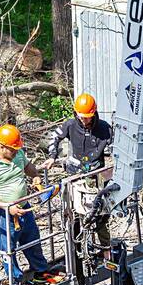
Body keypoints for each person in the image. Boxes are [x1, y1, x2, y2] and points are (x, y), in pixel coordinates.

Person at [0, 124, 50, 284]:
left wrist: (35, 175)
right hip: (4, 213)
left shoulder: (18, 154)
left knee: (33, 240)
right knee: (8, 248)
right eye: (12, 149)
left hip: (24, 207)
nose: (16, 152)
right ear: (2, 147)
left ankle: (41, 272)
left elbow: (28, 167)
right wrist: (8, 207)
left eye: (17, 149)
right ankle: (15, 281)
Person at [45, 93, 114, 261]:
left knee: (100, 215)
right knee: (75, 214)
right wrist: (52, 156)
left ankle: (106, 250)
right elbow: (54, 137)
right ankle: (78, 250)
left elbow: (115, 150)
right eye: (81, 117)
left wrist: (112, 169)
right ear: (76, 113)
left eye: (88, 118)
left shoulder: (104, 129)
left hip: (97, 176)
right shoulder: (70, 125)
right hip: (75, 175)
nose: (84, 121)